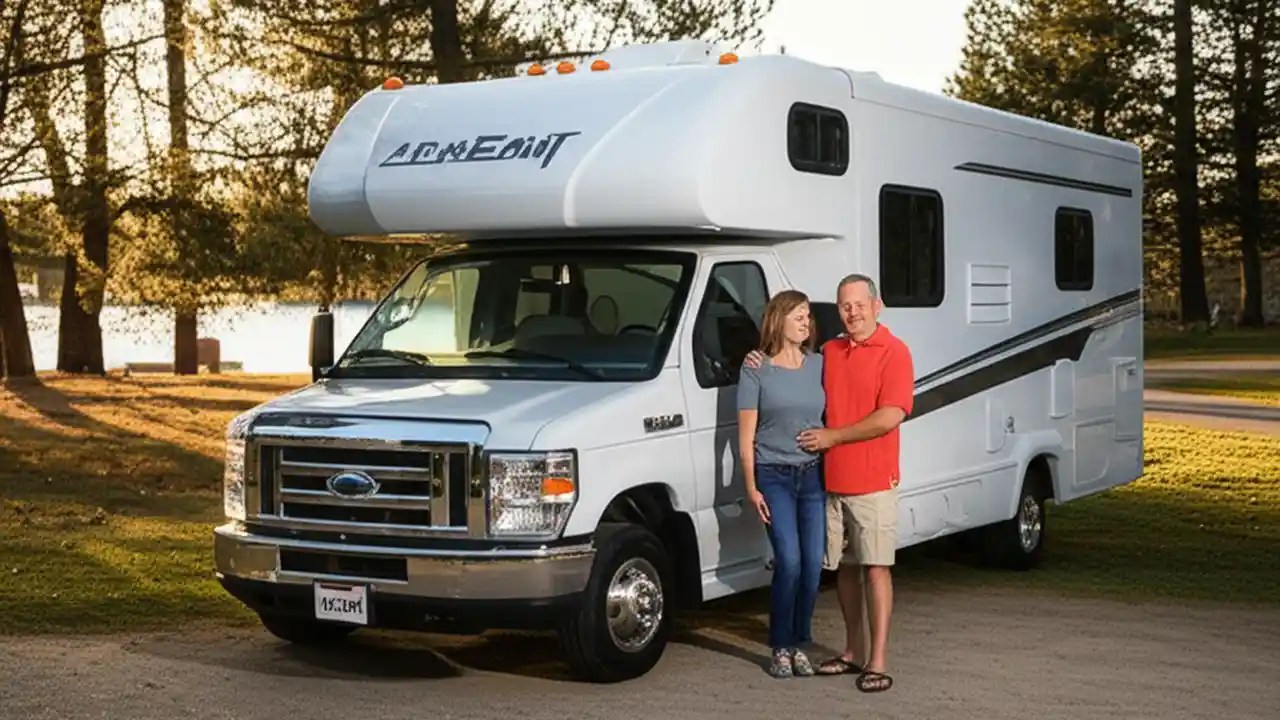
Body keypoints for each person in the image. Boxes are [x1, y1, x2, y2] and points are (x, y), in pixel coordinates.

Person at [745, 273, 913, 693]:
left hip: (872, 479)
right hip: (830, 481)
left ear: (877, 306)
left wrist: (832, 438)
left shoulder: (894, 352)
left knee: (876, 567)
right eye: (844, 306)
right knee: (843, 571)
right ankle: (852, 652)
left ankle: (877, 661)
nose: (852, 312)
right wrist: (754, 359)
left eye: (859, 304)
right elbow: (779, 378)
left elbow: (891, 415)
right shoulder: (830, 352)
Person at [736, 289, 827, 678]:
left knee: (813, 564)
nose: (807, 322)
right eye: (799, 316)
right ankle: (780, 645)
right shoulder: (756, 368)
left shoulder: (819, 364)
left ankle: (800, 643)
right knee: (788, 560)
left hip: (813, 475)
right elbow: (745, 435)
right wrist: (751, 486)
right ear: (779, 320)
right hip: (772, 474)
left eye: (808, 316)